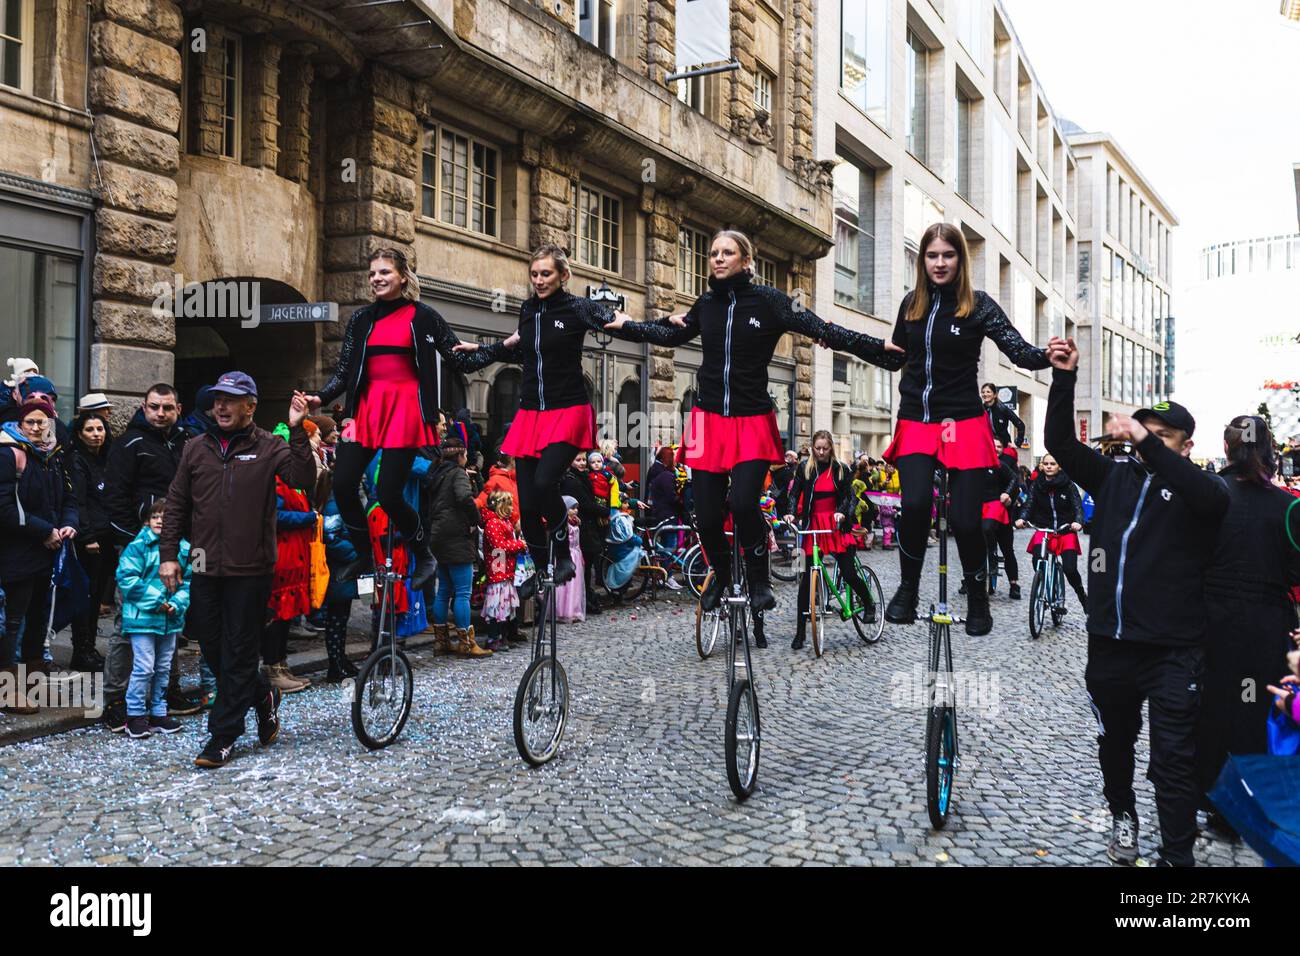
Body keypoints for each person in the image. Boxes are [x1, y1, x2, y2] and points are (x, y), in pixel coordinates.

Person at [1044, 336, 1229, 867]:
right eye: (1147, 432)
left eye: (1163, 436)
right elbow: (1059, 441)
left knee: (1173, 759)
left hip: (1174, 651)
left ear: (1186, 445)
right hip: (1111, 646)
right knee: (1116, 747)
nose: (1149, 442)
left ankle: (1177, 858)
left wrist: (1144, 440)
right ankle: (1122, 815)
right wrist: (1063, 378)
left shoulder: (1204, 490)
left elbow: (1204, 496)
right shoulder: (1112, 476)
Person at [605, 229, 860, 613]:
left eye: (727, 252)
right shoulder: (706, 304)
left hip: (751, 418)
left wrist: (876, 349)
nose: (718, 258)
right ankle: (721, 573)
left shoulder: (770, 301)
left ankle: (759, 578)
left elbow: (820, 329)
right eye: (713, 253)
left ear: (746, 260)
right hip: (708, 421)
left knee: (743, 504)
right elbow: (668, 335)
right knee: (705, 516)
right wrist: (628, 325)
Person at [835, 224, 1049, 636]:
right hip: (917, 419)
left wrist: (1049, 357)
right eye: (931, 256)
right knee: (914, 504)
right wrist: (844, 340)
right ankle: (908, 590)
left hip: (964, 422)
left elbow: (1018, 350)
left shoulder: (978, 305)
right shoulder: (910, 304)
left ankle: (978, 596)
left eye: (947, 255)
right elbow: (895, 357)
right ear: (922, 261)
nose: (939, 263)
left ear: (959, 260)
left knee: (967, 521)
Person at [452, 245, 642, 602]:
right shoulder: (528, 310)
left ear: (563, 276)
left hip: (567, 410)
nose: (539, 281)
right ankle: (543, 570)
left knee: (544, 483)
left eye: (546, 274)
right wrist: (478, 350)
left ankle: (564, 556)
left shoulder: (577, 307)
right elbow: (513, 346)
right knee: (529, 498)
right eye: (535, 274)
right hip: (531, 413)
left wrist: (662, 327)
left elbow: (619, 323)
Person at [307, 248, 491, 591]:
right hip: (363, 411)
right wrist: (321, 396)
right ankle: (363, 553)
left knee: (389, 494)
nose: (376, 278)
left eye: (384, 272)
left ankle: (424, 553)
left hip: (404, 411)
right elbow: (345, 370)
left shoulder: (423, 317)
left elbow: (459, 360)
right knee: (344, 483)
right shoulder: (361, 319)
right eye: (373, 272)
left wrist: (500, 348)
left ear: (402, 277)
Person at [160, 372, 315, 769]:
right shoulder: (195, 447)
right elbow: (177, 504)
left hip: (252, 566)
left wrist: (297, 430)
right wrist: (168, 556)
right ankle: (262, 693)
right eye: (217, 400)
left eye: (231, 399)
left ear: (251, 405)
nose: (222, 406)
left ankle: (223, 735)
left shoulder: (269, 446)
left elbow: (301, 478)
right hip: (203, 561)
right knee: (211, 645)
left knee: (241, 649)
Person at [1195, 415, 1300, 835]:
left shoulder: (1210, 497)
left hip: (1212, 619)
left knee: (1211, 705)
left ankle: (1209, 795)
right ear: (1270, 451)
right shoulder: (1289, 505)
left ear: (1226, 449)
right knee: (1254, 708)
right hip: (1264, 624)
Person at [101, 383, 198, 726]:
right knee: (128, 625)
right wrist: (136, 544)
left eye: (167, 407)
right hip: (140, 549)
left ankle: (165, 693)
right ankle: (116, 700)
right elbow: (113, 499)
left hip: (180, 548)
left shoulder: (188, 442)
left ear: (178, 408)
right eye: (154, 407)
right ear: (144, 408)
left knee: (172, 621)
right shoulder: (129, 444)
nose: (160, 413)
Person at [0, 397, 77, 713]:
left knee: (38, 620)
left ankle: (34, 686)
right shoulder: (8, 455)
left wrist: (69, 524)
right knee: (13, 622)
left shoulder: (54, 455)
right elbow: (5, 508)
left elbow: (70, 498)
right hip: (16, 554)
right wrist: (45, 531)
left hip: (49, 554)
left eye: (40, 422)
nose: (35, 427)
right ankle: (6, 691)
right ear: (20, 424)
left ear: (50, 424)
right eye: (29, 422)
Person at [785, 430, 876, 651]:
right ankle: (799, 634)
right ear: (812, 448)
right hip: (813, 525)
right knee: (805, 580)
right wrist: (790, 512)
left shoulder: (841, 469)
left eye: (825, 448)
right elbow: (794, 494)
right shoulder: (805, 469)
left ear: (831, 448)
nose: (822, 452)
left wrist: (843, 513)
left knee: (848, 572)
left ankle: (869, 603)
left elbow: (850, 497)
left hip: (836, 523)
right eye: (818, 448)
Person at [116, 500, 190, 738]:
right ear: (147, 520)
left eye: (166, 517)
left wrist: (177, 603)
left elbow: (191, 582)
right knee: (144, 666)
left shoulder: (186, 549)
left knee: (163, 667)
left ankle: (159, 712)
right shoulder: (137, 547)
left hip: (170, 619)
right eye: (156, 517)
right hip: (142, 619)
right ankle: (135, 715)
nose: (160, 521)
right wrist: (158, 600)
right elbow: (127, 579)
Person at [424, 431, 487, 657]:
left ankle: (441, 642)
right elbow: (463, 498)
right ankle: (466, 644)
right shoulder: (458, 474)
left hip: (439, 534)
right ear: (460, 455)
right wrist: (474, 520)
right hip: (457, 535)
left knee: (444, 591)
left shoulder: (435, 472)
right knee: (462, 592)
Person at [261, 442, 316, 694]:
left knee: (287, 615)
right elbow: (276, 518)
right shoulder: (274, 484)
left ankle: (281, 664)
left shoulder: (293, 484)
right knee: (277, 615)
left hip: (294, 555)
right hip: (281, 556)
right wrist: (310, 518)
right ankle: (272, 667)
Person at [69, 410, 115, 672]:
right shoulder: (77, 461)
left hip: (106, 534)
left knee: (97, 594)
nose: (96, 434)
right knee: (87, 595)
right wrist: (86, 536)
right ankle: (81, 650)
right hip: (90, 538)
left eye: (100, 429)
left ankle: (89, 647)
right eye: (90, 429)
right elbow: (79, 501)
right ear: (79, 433)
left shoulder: (107, 459)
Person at [1014, 452, 1087, 608]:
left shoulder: (1068, 485)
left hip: (1065, 530)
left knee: (1070, 569)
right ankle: (1045, 585)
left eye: (1052, 464)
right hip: (1044, 529)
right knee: (1037, 561)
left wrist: (1078, 522)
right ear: (1041, 466)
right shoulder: (1036, 485)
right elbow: (1029, 504)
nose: (1049, 466)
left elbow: (1078, 507)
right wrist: (1022, 518)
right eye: (1046, 464)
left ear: (1059, 466)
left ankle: (1081, 594)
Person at [964, 437, 1022, 601]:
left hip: (997, 507)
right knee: (971, 545)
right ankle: (968, 580)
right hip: (979, 507)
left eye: (999, 446)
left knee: (1007, 549)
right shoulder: (974, 464)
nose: (996, 449)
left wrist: (1007, 493)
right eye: (993, 445)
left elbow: (1014, 480)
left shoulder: (1001, 465)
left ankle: (1014, 584)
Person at [560, 450, 607, 615]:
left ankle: (584, 599)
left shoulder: (582, 478)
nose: (581, 463)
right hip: (581, 527)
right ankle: (582, 600)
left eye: (583, 460)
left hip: (586, 526)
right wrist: (606, 511)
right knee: (584, 568)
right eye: (578, 460)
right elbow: (585, 504)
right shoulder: (572, 481)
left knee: (586, 568)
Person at [481, 490, 526, 651]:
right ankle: (493, 638)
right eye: (508, 506)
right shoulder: (493, 523)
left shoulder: (503, 521)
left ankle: (503, 636)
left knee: (505, 605)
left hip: (506, 569)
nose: (511, 509)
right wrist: (519, 545)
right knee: (496, 606)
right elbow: (499, 546)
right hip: (498, 569)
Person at [555, 496, 586, 623]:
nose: (576, 511)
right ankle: (563, 610)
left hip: (576, 554)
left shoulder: (575, 522)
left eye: (576, 508)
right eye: (572, 508)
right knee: (567, 586)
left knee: (576, 585)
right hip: (568, 554)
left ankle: (574, 609)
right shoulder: (564, 525)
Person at [475, 451, 520, 522]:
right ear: (512, 460)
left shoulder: (518, 479)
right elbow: (481, 500)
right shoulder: (495, 480)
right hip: (508, 527)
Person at [982, 383, 1026, 450]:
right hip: (987, 446)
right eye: (983, 392)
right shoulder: (980, 410)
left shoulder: (1002, 409)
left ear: (995, 395)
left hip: (1004, 446)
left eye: (988, 392)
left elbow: (1020, 425)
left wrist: (1017, 443)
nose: (985, 394)